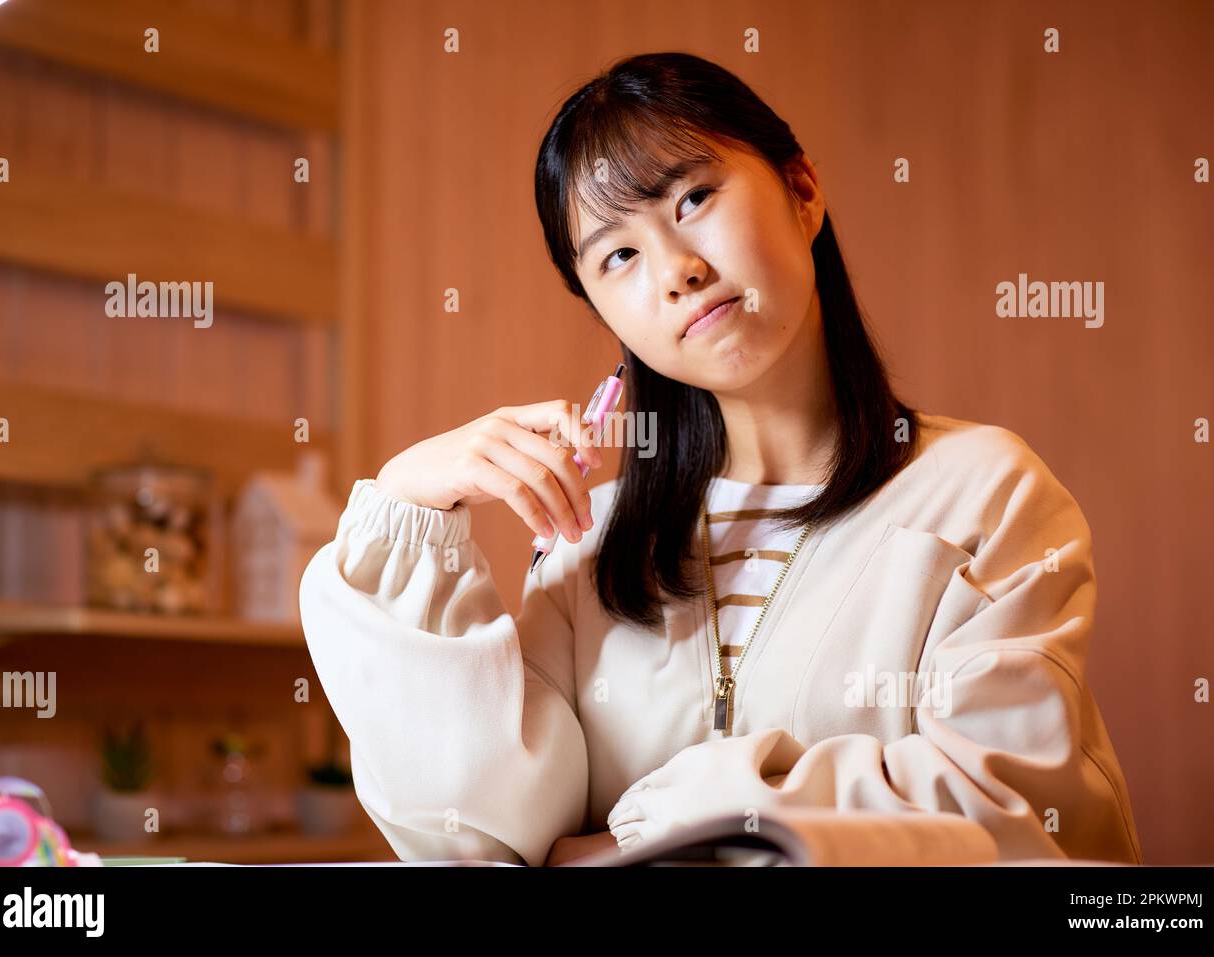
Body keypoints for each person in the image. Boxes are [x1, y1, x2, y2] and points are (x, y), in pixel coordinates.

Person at [298, 51, 1142, 867]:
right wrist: (407, 508)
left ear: (803, 191)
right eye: (619, 255)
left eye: (695, 197)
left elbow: (1016, 816)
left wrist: (680, 816)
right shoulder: (589, 548)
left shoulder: (983, 494)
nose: (678, 270)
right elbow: (486, 837)